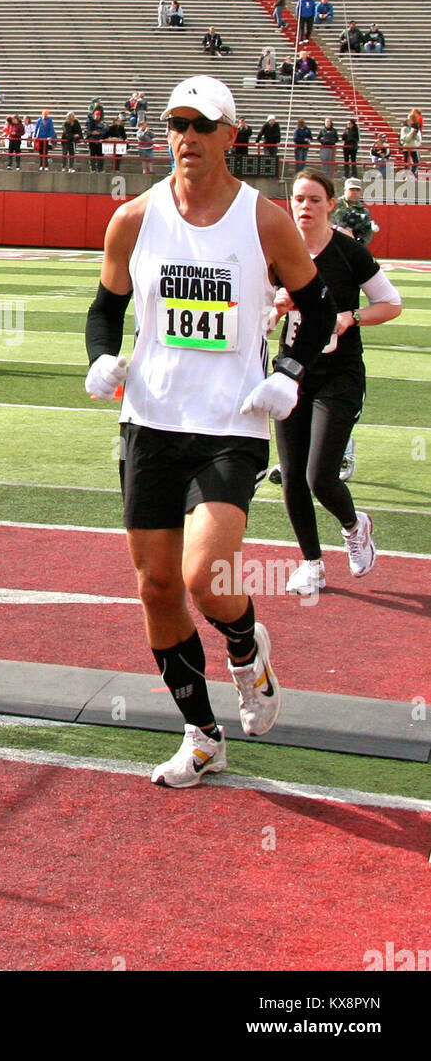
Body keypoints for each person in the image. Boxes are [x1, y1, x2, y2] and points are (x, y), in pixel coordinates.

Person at [84, 74, 337, 788]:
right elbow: (105, 307)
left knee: (204, 575)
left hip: (230, 423)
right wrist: (102, 357)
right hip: (150, 422)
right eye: (177, 124)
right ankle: (201, 734)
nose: (187, 138)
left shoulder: (263, 220)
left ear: (231, 135)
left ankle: (243, 640)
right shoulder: (133, 218)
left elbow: (315, 308)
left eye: (202, 125)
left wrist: (286, 371)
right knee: (157, 587)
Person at [269, 172, 401, 598]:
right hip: (292, 371)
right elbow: (257, 310)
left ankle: (353, 525)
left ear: (330, 204)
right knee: (290, 476)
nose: (304, 207)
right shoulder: (276, 250)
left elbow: (390, 303)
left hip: (339, 374)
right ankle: (311, 563)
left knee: (320, 476)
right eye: (298, 199)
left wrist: (352, 317)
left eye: (313, 199)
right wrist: (275, 306)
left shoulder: (349, 253)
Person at [334, 177, 377, 247]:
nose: (355, 192)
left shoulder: (364, 210)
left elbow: (368, 231)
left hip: (355, 246)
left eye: (357, 190)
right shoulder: (334, 205)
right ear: (345, 190)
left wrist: (360, 243)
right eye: (352, 189)